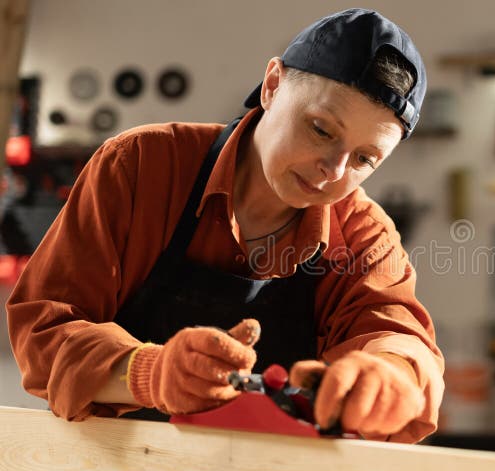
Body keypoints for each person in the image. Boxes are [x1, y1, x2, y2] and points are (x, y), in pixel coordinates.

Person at [6, 8, 444, 444]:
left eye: (365, 158)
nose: (334, 170)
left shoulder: (364, 234)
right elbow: (45, 332)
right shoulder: (142, 166)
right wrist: (149, 373)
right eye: (321, 130)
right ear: (273, 85)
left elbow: (397, 335)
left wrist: (391, 377)